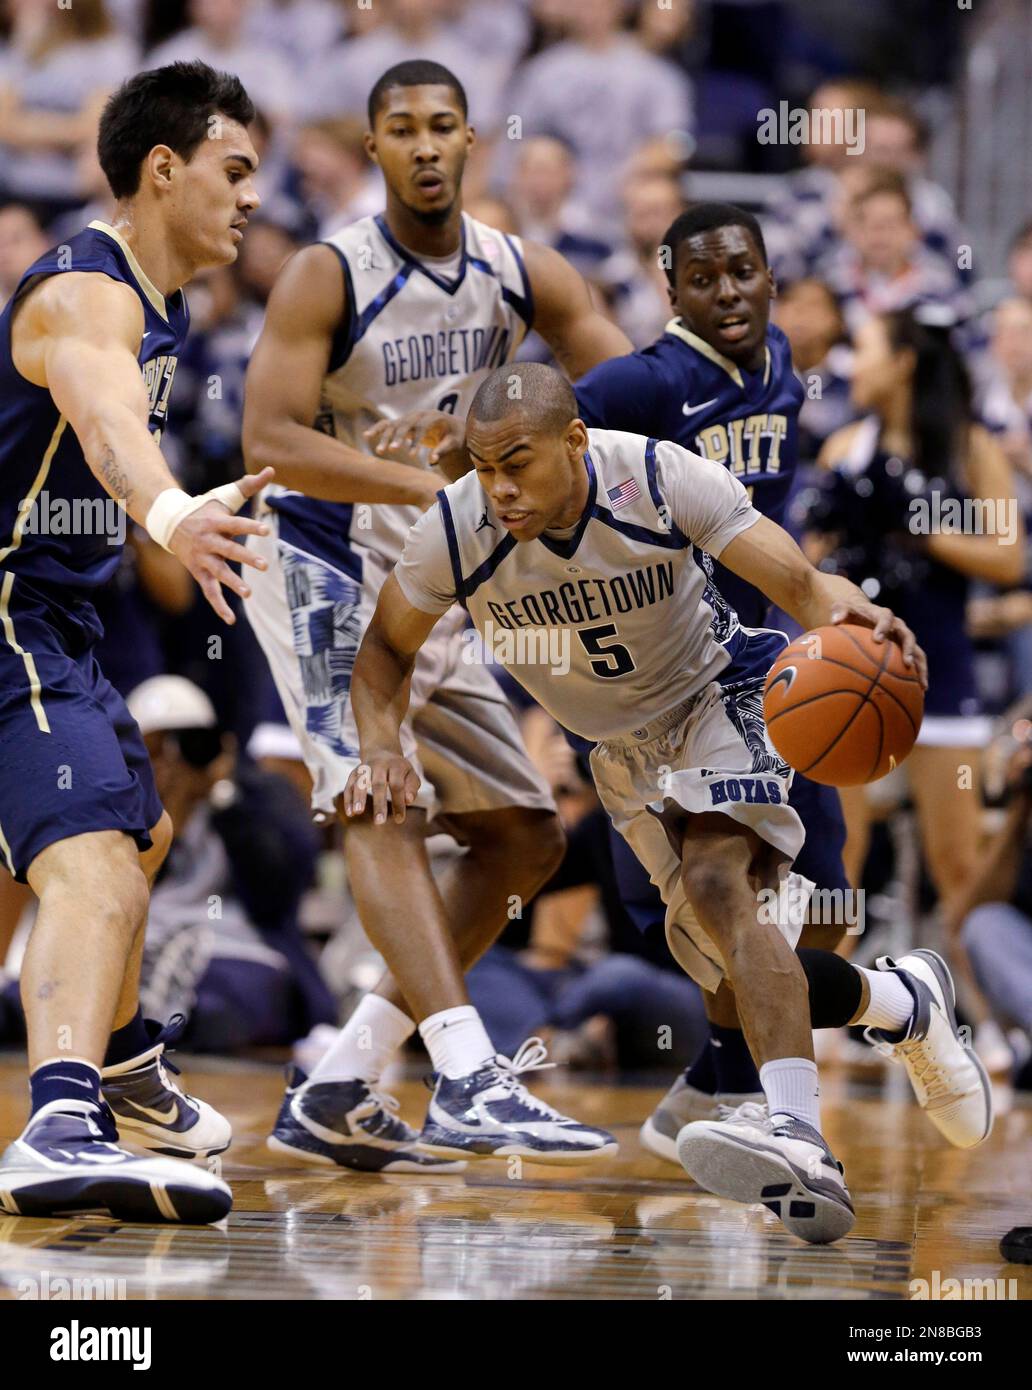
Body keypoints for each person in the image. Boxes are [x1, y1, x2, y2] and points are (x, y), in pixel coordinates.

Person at [344, 360, 991, 1245]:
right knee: (729, 970)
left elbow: (802, 586)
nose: (499, 488)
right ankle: (898, 1001)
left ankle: (798, 1134)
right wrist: (381, 743)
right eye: (484, 466)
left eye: (518, 464)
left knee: (721, 879)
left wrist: (853, 620)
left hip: (723, 691)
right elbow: (383, 652)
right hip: (623, 757)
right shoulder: (457, 531)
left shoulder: (655, 475)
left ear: (575, 442)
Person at [242, 61, 630, 1171]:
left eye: (443, 127)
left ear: (474, 143)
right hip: (320, 560)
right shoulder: (329, 274)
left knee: (524, 835)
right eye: (401, 129)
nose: (424, 145)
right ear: (372, 148)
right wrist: (427, 485)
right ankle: (467, 1075)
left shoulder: (519, 270)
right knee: (380, 797)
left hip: (436, 573)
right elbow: (265, 440)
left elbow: (625, 385)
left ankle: (342, 1081)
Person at [0, 61, 271, 1225]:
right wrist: (175, 512)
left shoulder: (173, 309)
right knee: (96, 852)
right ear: (165, 169)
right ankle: (62, 1120)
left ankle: (118, 1069)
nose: (253, 198)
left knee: (142, 828)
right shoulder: (85, 291)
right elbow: (105, 415)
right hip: (6, 610)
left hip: (58, 611)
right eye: (235, 170)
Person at [572, 204, 852, 1162]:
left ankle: (725, 1087)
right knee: (703, 905)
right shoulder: (642, 384)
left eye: (743, 272)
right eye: (704, 278)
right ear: (671, 288)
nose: (727, 293)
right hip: (657, 683)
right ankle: (750, 1099)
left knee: (823, 890)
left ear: (770, 274)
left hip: (763, 665)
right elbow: (529, 447)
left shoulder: (779, 367)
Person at [812, 310, 1026, 1044]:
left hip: (943, 677)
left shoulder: (970, 449)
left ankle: (995, 1025)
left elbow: (1007, 557)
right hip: (854, 678)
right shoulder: (846, 446)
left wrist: (918, 527)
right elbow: (808, 553)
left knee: (958, 863)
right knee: (838, 857)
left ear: (903, 361)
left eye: (864, 346)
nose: (851, 365)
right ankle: (816, 1018)